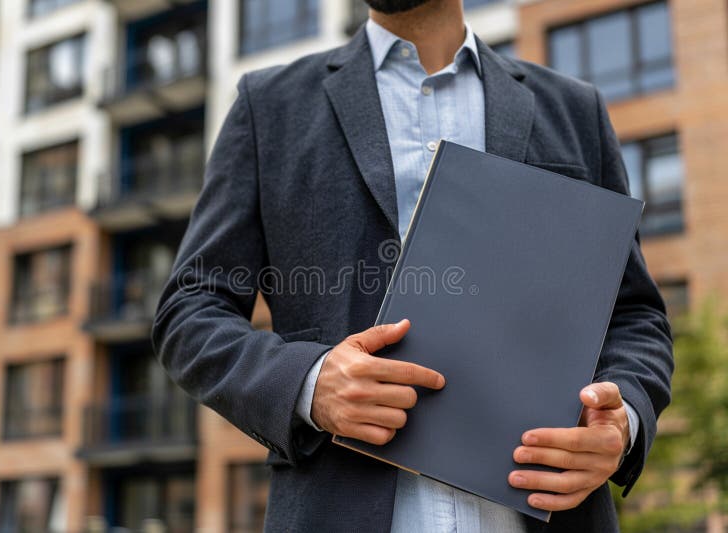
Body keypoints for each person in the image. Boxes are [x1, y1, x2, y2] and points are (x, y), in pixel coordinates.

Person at [152, 0, 674, 530]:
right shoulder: (269, 107)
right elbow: (190, 310)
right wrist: (309, 382)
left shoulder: (574, 109)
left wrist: (622, 423)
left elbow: (634, 315)